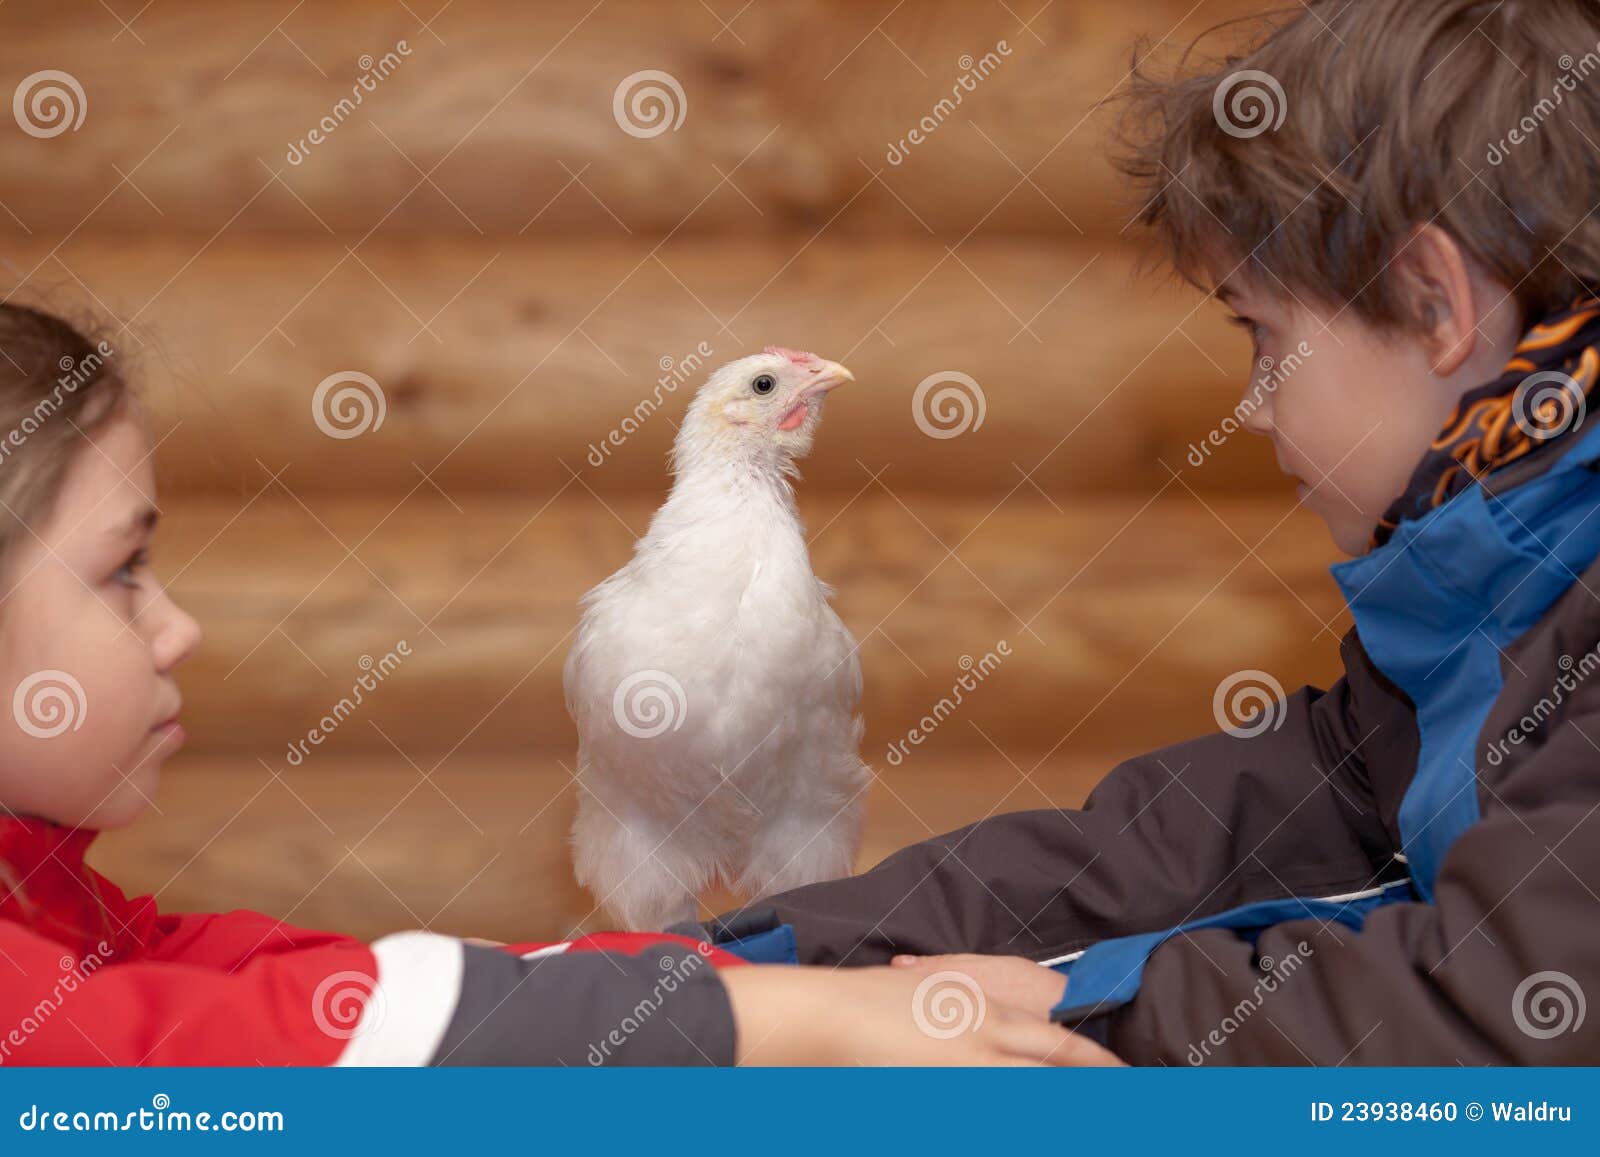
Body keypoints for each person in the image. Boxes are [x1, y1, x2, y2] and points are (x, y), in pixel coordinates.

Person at [687, 0, 1600, 1064]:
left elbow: (1505, 1028)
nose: (1253, 405)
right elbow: (1147, 860)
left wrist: (1046, 1011)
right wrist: (731, 969)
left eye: (1264, 334)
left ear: (1430, 298)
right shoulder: (1457, 646)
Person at [0, 301, 1113, 1067]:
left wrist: (764, 963)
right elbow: (249, 1058)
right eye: (123, 570)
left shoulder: (62, 908)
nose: (181, 625)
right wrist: (778, 1016)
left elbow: (316, 988)